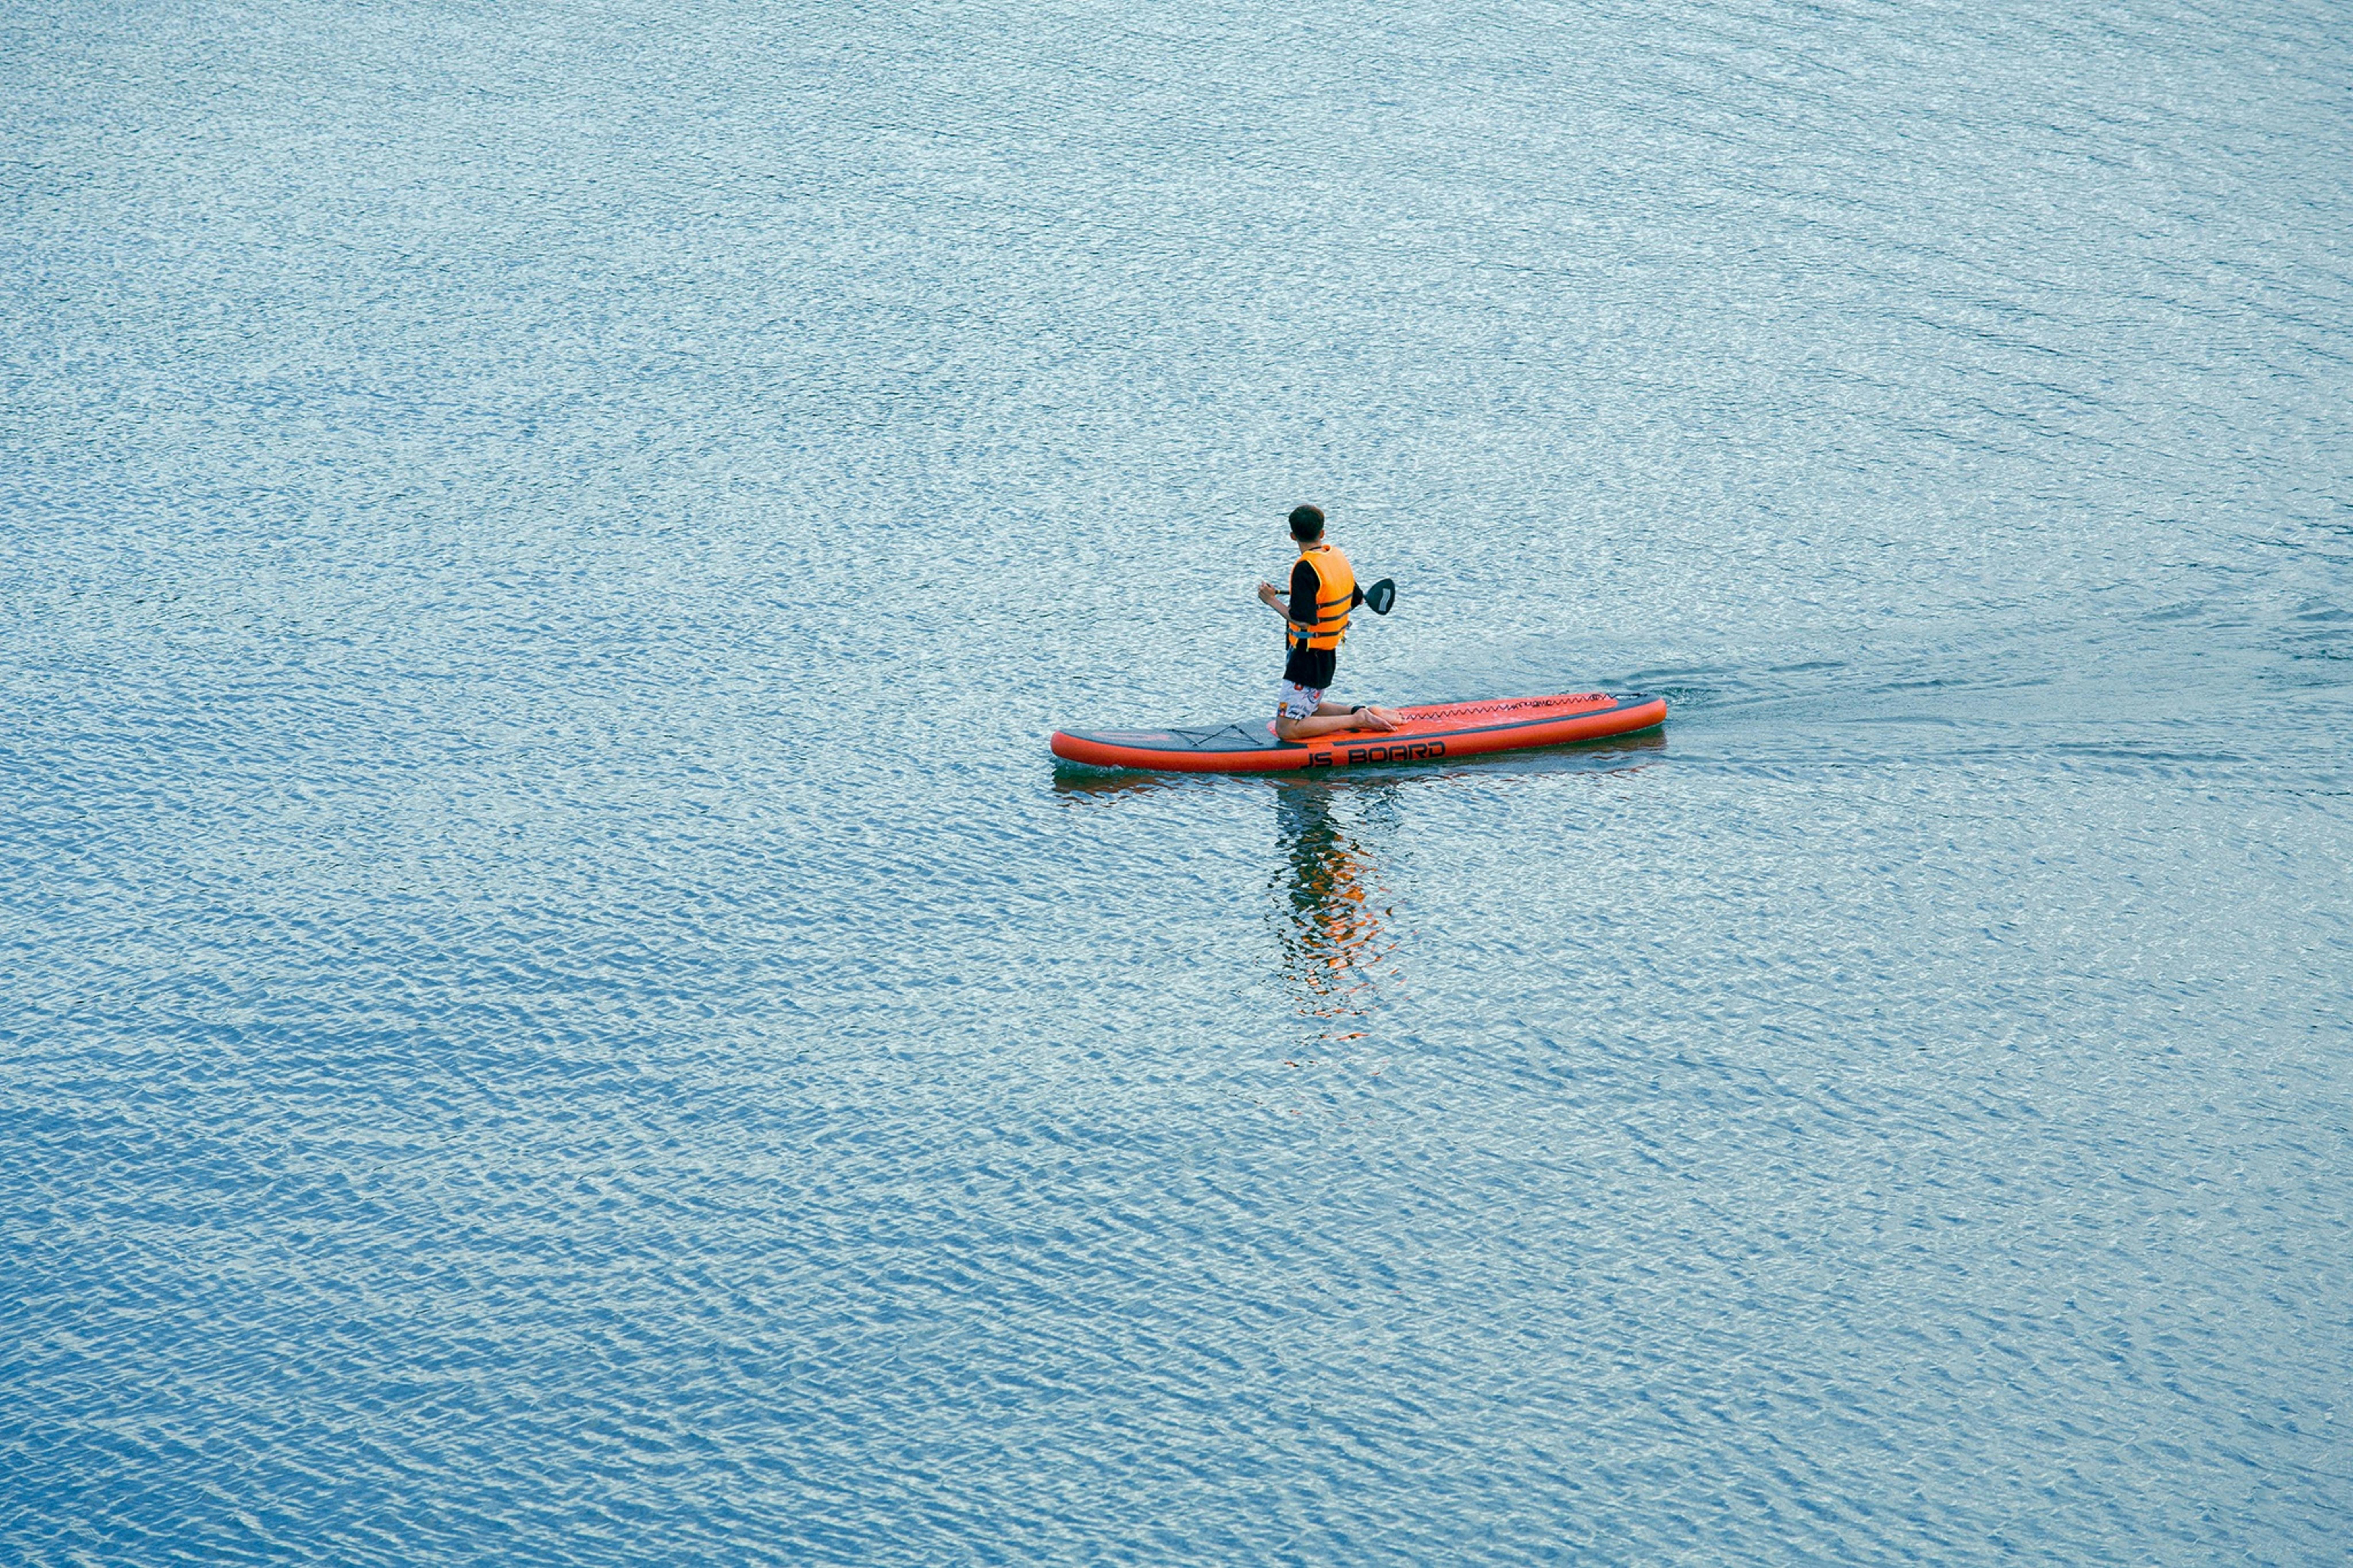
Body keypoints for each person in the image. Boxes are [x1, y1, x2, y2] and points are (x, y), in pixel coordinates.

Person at [1255, 505, 1400, 742]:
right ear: (1322, 533)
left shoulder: (1305, 568)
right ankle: (1361, 711)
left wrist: (1271, 601)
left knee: (1287, 730)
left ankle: (1358, 720)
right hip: (1325, 655)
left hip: (1307, 657)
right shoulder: (1336, 557)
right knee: (1310, 705)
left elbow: (1303, 621)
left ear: (1293, 536)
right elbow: (1355, 599)